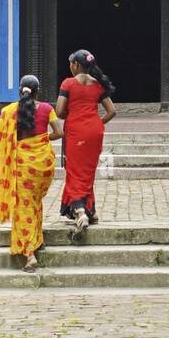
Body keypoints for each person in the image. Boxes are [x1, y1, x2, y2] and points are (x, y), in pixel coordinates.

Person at [0, 75, 63, 271]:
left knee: (23, 207)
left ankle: (30, 254)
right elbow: (59, 133)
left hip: (22, 165)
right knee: (33, 201)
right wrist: (42, 138)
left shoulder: (8, 112)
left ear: (20, 91)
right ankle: (37, 239)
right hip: (42, 166)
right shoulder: (47, 109)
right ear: (37, 91)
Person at [55, 48, 117, 238]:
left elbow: (59, 111)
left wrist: (72, 114)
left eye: (71, 64)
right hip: (95, 131)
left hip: (76, 131)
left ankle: (80, 211)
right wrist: (97, 122)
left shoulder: (68, 83)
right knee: (87, 171)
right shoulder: (98, 85)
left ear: (76, 65)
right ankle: (92, 211)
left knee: (74, 171)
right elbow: (112, 111)